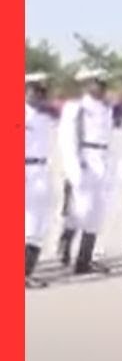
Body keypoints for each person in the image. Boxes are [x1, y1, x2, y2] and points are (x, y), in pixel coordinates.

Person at [55, 67, 114, 274]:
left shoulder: (105, 108)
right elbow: (68, 140)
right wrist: (74, 169)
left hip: (102, 162)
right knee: (81, 210)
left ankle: (84, 260)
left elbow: (108, 140)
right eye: (96, 82)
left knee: (97, 213)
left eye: (102, 83)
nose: (101, 87)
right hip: (85, 161)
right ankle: (66, 241)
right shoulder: (76, 107)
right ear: (87, 84)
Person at [25, 73, 57, 288]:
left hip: (41, 170)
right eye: (33, 90)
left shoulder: (46, 117)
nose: (37, 95)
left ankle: (26, 271)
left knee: (39, 225)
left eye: (41, 91)